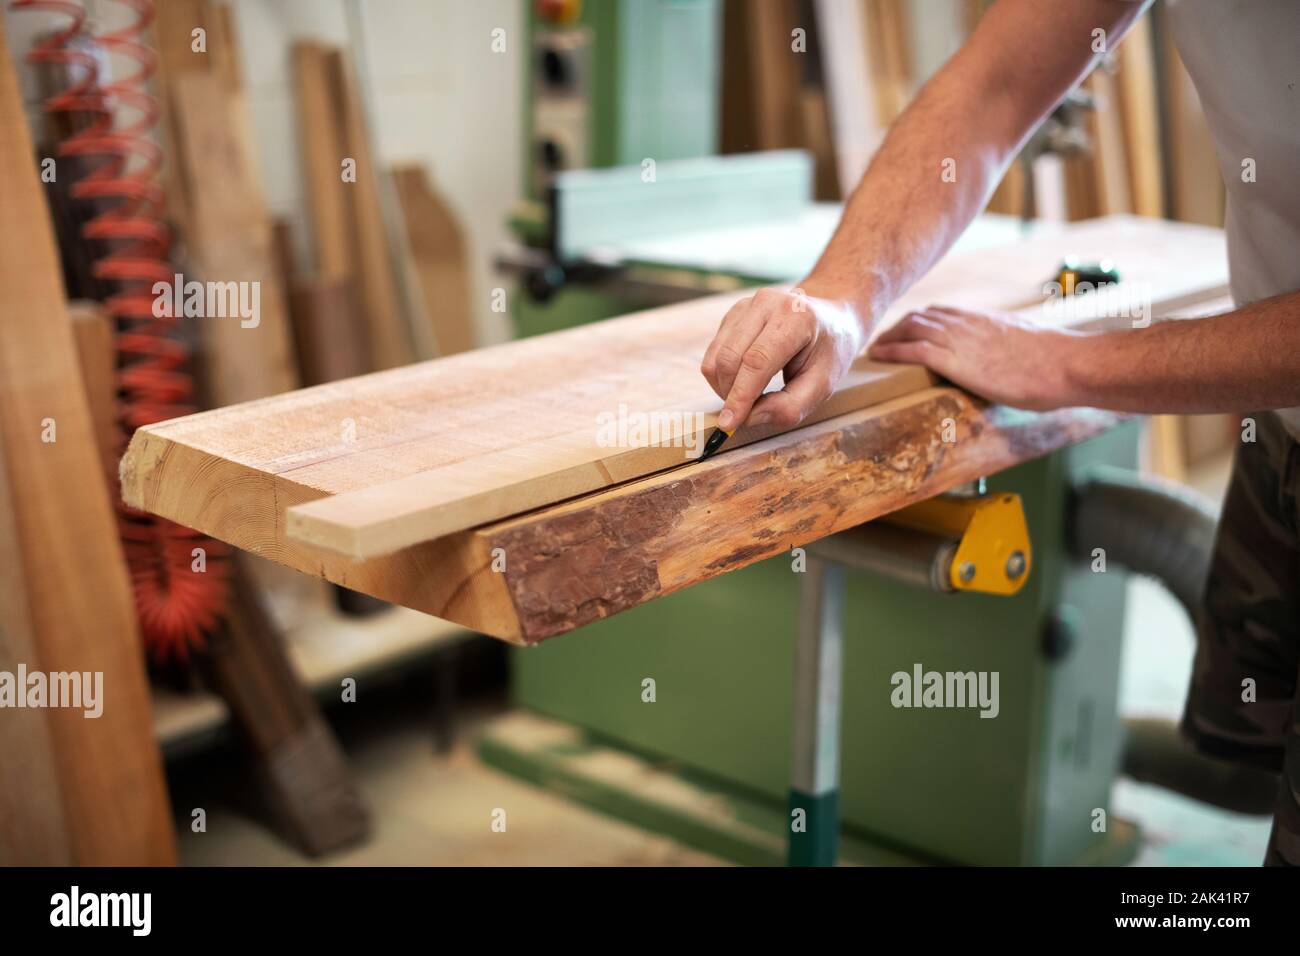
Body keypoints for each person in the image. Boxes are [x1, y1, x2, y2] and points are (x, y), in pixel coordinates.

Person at [700, 0, 1299, 865]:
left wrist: (1067, 366)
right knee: (1254, 754)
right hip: (1282, 431)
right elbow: (991, 88)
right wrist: (839, 299)